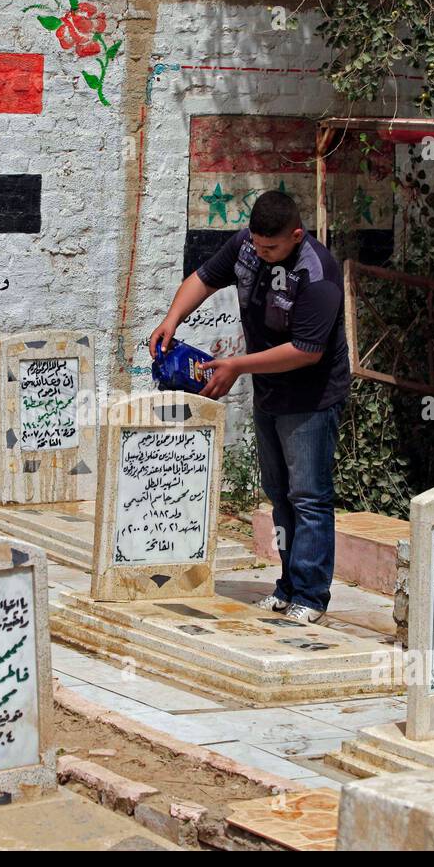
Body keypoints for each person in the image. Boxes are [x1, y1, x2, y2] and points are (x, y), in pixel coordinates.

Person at [148, 191, 350, 623]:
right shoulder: (246, 246)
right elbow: (202, 278)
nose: (261, 253)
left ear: (296, 236)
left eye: (271, 247)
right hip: (271, 394)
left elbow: (306, 350)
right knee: (279, 494)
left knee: (309, 496)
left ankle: (312, 595)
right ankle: (287, 586)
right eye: (257, 244)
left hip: (311, 398)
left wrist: (237, 366)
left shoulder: (318, 273)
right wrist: (172, 319)